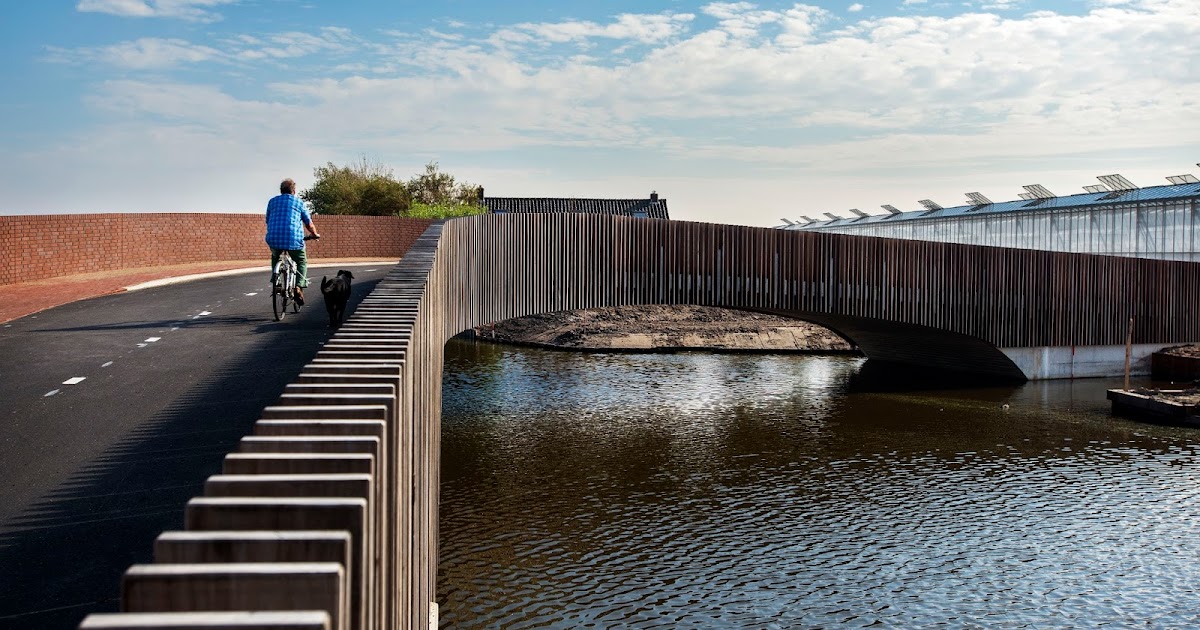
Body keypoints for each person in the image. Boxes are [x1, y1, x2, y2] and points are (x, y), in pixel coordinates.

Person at [265, 178, 320, 304]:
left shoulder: (272, 202)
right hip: (293, 239)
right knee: (301, 261)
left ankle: (277, 283)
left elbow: (267, 220)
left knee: (275, 257)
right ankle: (299, 286)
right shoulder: (299, 203)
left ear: (281, 191)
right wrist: (314, 234)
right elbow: (308, 224)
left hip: (273, 238)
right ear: (294, 191)